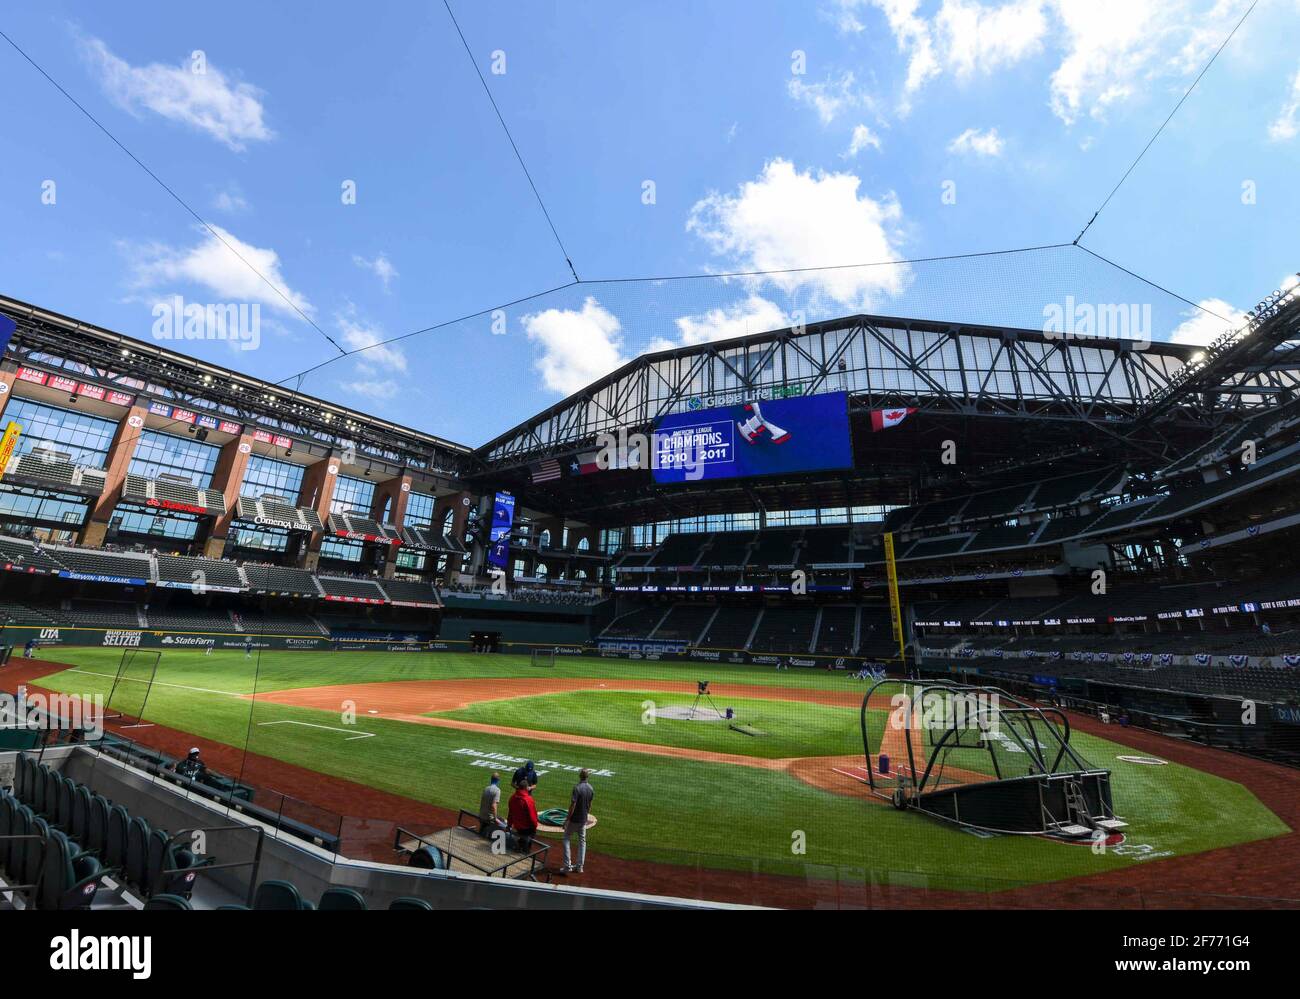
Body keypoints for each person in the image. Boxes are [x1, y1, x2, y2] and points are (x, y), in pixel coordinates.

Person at [560, 769, 595, 875]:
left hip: (574, 820)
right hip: (583, 820)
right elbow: (590, 805)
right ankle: (580, 867)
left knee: (566, 839)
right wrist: (586, 816)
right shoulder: (591, 788)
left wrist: (567, 820)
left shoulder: (577, 788)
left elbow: (573, 805)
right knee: (582, 842)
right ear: (587, 777)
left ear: (580, 776)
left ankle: (567, 866)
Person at [507, 779, 539, 852]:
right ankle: (525, 851)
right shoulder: (528, 799)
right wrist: (535, 825)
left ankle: (520, 847)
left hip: (518, 827)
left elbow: (510, 813)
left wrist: (509, 825)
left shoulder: (512, 798)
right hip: (528, 828)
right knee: (528, 842)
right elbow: (532, 816)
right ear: (526, 788)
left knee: (522, 839)